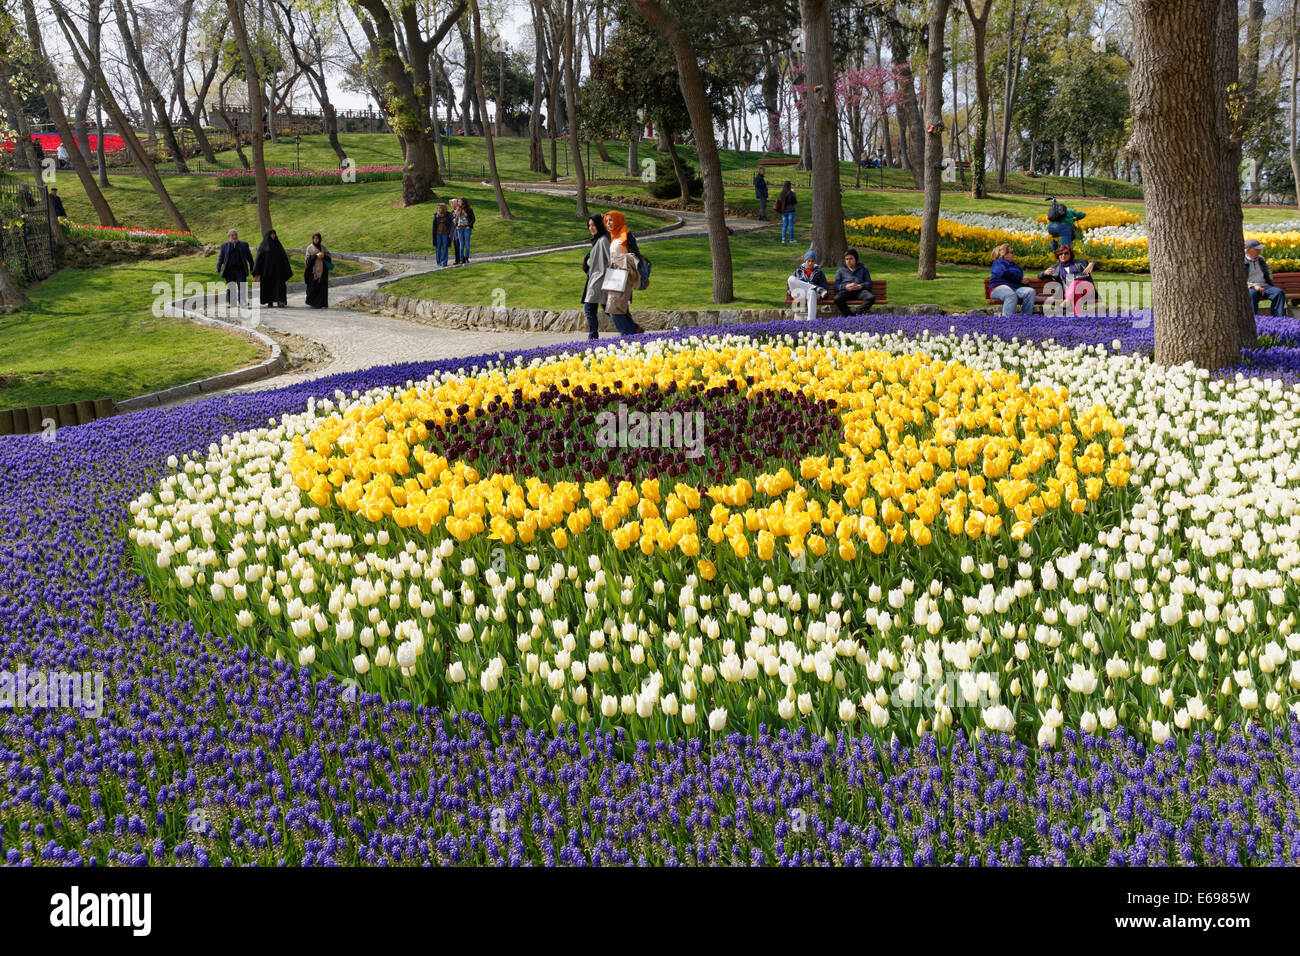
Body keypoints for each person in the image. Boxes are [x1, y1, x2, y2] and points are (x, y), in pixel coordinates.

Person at [601, 210, 642, 335]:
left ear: (618, 220)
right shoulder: (614, 236)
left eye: (611, 220)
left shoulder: (626, 234)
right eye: (607, 221)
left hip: (623, 275)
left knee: (614, 309)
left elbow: (636, 255)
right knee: (619, 308)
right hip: (614, 275)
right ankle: (634, 332)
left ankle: (627, 334)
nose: (608, 223)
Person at [582, 214, 621, 338]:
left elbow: (611, 259)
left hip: (600, 280)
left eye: (593, 225)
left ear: (599, 225)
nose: (591, 228)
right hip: (596, 280)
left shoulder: (603, 240)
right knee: (603, 310)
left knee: (592, 309)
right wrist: (588, 261)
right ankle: (628, 330)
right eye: (589, 225)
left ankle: (628, 329)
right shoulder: (597, 240)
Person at [1038, 244, 1095, 317]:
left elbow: (1098, 264)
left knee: (1075, 283)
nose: (1063, 255)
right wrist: (1044, 273)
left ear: (1070, 254)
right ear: (1058, 256)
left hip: (1086, 289)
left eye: (1066, 253)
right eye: (1060, 254)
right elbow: (1039, 276)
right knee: (1076, 294)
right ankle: (1078, 318)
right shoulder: (1055, 268)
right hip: (1072, 292)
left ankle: (1067, 300)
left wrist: (1092, 264)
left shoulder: (1080, 262)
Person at [988, 243, 1036, 316]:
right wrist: (1019, 279)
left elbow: (1016, 278)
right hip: (997, 288)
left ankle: (1026, 319)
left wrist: (1024, 282)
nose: (1013, 254)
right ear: (1005, 255)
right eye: (1012, 252)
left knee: (1030, 291)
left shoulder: (1016, 267)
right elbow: (1004, 273)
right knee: (1010, 294)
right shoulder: (998, 263)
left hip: (1014, 288)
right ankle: (1007, 322)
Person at [252, 229, 292, 308]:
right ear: (268, 235)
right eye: (271, 234)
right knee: (268, 287)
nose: (273, 236)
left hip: (278, 271)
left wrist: (286, 269)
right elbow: (259, 258)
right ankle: (269, 301)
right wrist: (257, 271)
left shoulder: (278, 245)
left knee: (280, 286)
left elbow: (284, 257)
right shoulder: (263, 246)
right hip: (267, 272)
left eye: (274, 234)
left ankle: (280, 301)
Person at [1246, 238, 1286, 316]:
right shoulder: (1242, 261)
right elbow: (1239, 279)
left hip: (1264, 286)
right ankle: (1254, 319)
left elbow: (1268, 273)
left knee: (1278, 292)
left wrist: (1268, 279)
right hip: (1249, 287)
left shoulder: (1261, 259)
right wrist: (1253, 286)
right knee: (1252, 294)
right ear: (1248, 250)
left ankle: (1278, 320)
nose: (1259, 251)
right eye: (1257, 249)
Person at [216, 228, 254, 308]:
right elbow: (221, 257)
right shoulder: (224, 246)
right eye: (232, 235)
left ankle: (242, 302)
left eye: (235, 235)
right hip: (229, 270)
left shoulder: (244, 245)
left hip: (241, 269)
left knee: (242, 286)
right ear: (229, 236)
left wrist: (252, 267)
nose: (234, 236)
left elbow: (249, 257)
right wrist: (218, 268)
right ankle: (231, 302)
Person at [788, 250, 829, 321]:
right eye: (808, 261)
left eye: (812, 261)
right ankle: (815, 287)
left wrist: (817, 289)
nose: (810, 263)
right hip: (800, 293)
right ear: (805, 261)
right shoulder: (798, 271)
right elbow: (792, 283)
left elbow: (825, 286)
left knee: (811, 292)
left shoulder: (819, 272)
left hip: (813, 294)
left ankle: (811, 321)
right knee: (790, 279)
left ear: (814, 262)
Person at [832, 248, 874, 316]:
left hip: (860, 291)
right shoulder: (840, 270)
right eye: (847, 259)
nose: (848, 261)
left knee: (871, 298)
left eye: (851, 259)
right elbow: (836, 285)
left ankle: (856, 314)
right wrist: (845, 287)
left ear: (856, 259)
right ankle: (850, 316)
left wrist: (860, 286)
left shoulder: (863, 269)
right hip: (846, 291)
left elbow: (869, 283)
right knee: (837, 299)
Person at [305, 233, 332, 308]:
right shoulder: (309, 248)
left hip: (323, 271)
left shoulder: (323, 248)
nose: (316, 240)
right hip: (313, 272)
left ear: (320, 239)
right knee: (313, 287)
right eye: (314, 238)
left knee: (322, 288)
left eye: (317, 238)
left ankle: (322, 303)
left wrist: (324, 256)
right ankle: (313, 303)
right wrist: (315, 256)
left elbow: (329, 258)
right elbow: (307, 260)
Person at [454, 196, 476, 264]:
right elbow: (456, 219)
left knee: (467, 244)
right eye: (458, 201)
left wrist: (469, 226)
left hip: (467, 228)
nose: (458, 202)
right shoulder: (458, 209)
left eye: (459, 201)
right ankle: (461, 259)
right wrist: (456, 225)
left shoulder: (469, 209)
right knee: (461, 244)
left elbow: (473, 219)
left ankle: (466, 258)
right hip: (459, 228)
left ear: (463, 202)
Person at [432, 202, 454, 267]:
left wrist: (450, 234)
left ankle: (444, 262)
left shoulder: (448, 215)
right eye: (438, 208)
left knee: (445, 248)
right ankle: (438, 262)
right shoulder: (436, 215)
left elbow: (450, 225)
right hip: (438, 234)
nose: (438, 209)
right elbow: (434, 227)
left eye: (440, 208)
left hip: (445, 234)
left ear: (443, 208)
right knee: (438, 248)